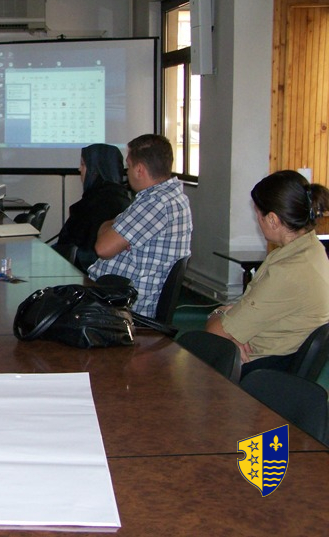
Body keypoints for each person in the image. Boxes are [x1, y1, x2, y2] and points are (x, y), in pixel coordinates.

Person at [205, 170, 329, 377]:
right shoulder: (312, 251)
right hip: (280, 358)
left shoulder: (287, 271)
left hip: (258, 369)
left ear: (272, 219)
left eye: (257, 214)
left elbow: (215, 331)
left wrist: (218, 312)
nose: (257, 220)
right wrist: (233, 327)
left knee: (189, 349)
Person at [88, 134, 192, 317]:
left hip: (125, 305)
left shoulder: (156, 202)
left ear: (140, 170)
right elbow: (111, 233)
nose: (126, 173)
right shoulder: (168, 196)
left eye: (128, 166)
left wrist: (112, 227)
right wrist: (115, 230)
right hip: (117, 294)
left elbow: (103, 248)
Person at [52, 144, 131, 271]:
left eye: (83, 164)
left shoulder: (96, 204)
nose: (79, 169)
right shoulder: (121, 198)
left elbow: (78, 252)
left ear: (96, 170)